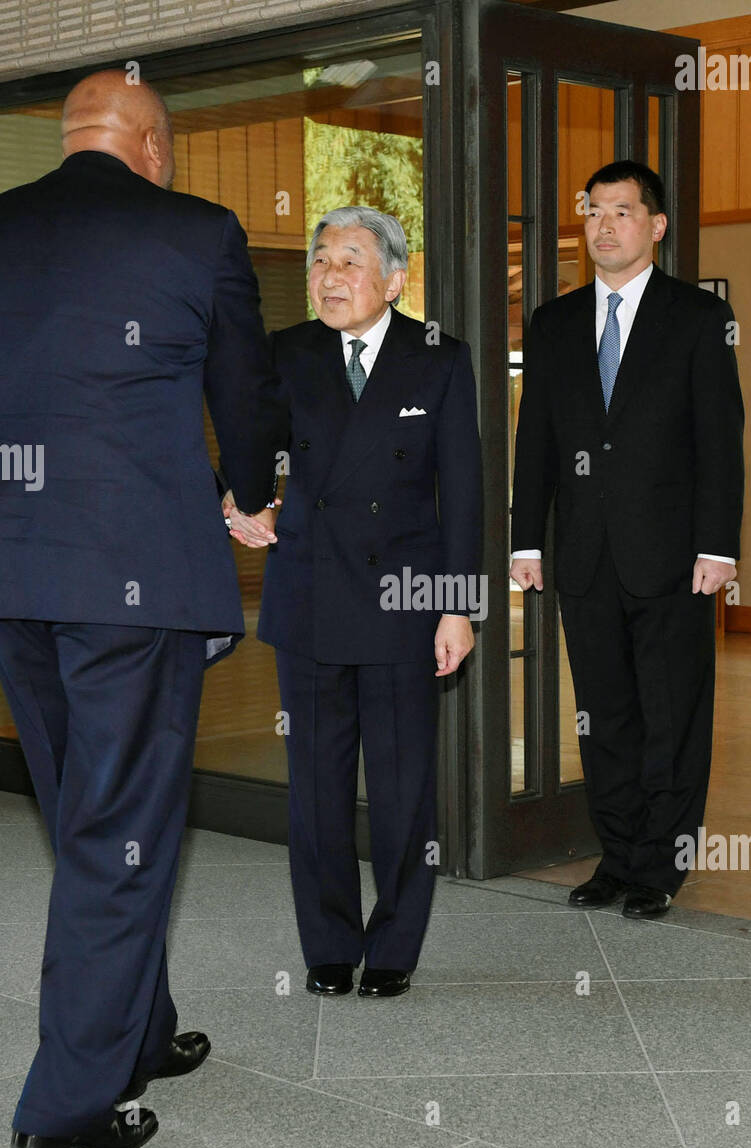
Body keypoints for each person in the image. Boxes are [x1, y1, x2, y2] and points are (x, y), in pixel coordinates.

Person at [0, 70, 284, 1148]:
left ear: (67, 137)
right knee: (118, 830)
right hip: (134, 587)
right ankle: (64, 1103)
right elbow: (245, 392)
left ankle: (135, 1028)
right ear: (152, 145)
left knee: (88, 818)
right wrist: (248, 494)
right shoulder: (196, 232)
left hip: (9, 580)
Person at [239, 207, 482, 998]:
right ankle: (329, 944)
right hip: (308, 594)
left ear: (395, 278)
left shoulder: (440, 359)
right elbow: (246, 450)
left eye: (349, 261)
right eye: (320, 261)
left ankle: (395, 948)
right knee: (315, 789)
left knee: (404, 788)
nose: (329, 276)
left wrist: (458, 607)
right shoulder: (288, 353)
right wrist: (241, 502)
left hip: (406, 603)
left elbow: (466, 494)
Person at [509, 159, 744, 919]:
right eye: (594, 212)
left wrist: (718, 545)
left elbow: (720, 441)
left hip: (674, 558)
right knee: (604, 716)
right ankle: (616, 855)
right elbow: (534, 442)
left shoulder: (697, 319)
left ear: (656, 226)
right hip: (582, 556)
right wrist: (526, 540)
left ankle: (660, 868)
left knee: (672, 716)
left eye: (621, 212)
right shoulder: (553, 322)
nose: (604, 226)